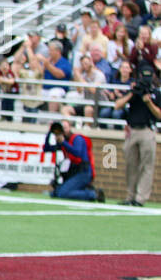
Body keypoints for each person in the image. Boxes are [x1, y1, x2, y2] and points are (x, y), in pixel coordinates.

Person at [111, 63, 160, 205]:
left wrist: (149, 102)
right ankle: (130, 196)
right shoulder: (134, 90)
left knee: (146, 166)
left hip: (147, 130)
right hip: (132, 130)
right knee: (130, 165)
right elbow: (117, 105)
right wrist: (132, 93)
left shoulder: (156, 93)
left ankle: (140, 198)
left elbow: (159, 115)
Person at [43, 120, 105, 202]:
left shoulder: (77, 138)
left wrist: (63, 142)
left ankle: (93, 194)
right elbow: (46, 148)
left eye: (65, 128)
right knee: (56, 193)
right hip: (73, 172)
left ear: (70, 128)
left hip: (84, 172)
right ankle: (85, 190)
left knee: (63, 194)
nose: (63, 130)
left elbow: (77, 152)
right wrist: (50, 132)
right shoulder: (63, 141)